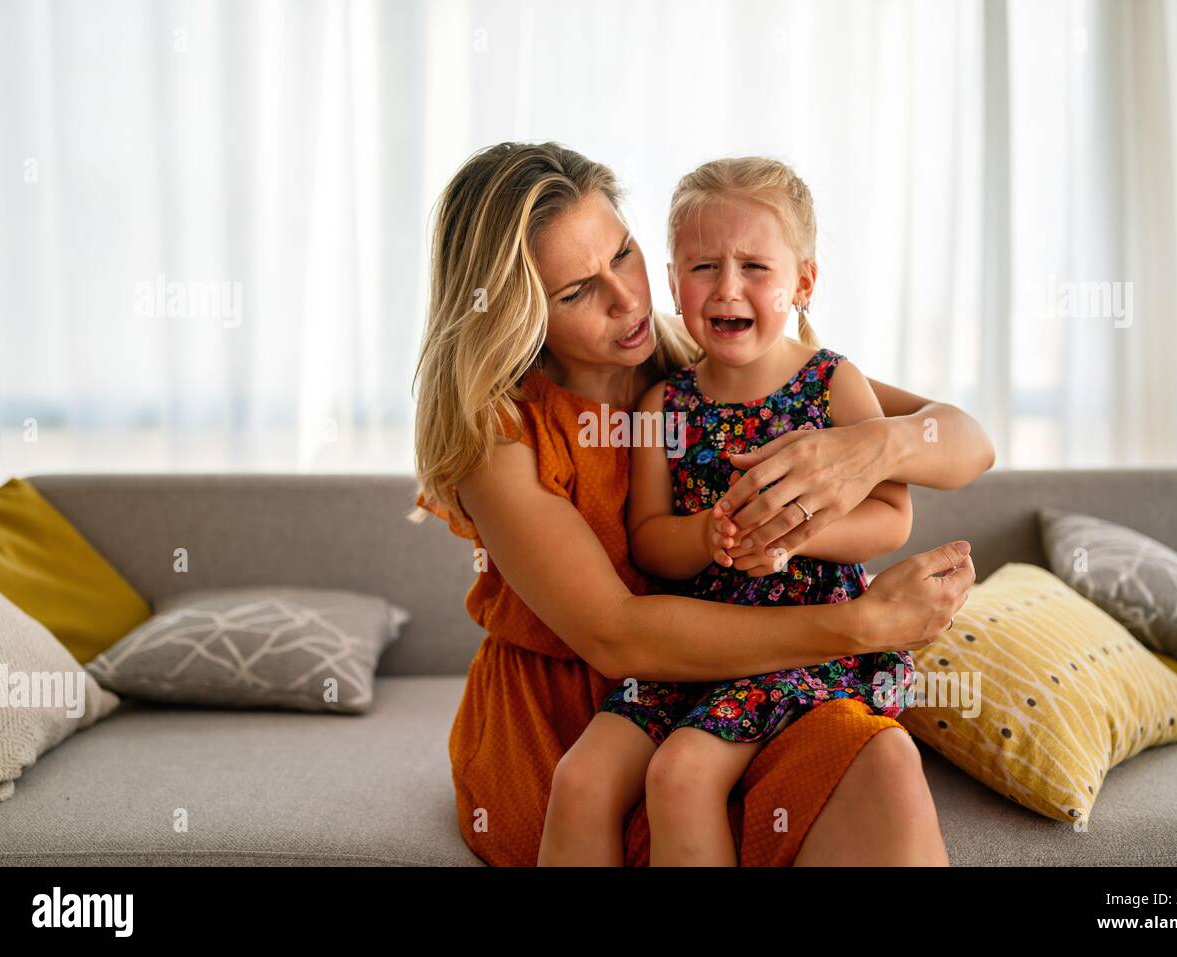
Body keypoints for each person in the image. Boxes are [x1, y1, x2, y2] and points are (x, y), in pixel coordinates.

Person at [412, 141, 993, 867]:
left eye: (621, 255)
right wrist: (860, 623)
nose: (627, 300)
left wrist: (873, 450)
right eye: (576, 292)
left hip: (753, 673)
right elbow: (620, 635)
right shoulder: (501, 433)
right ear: (515, 313)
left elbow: (966, 439)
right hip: (578, 717)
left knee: (879, 762)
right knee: (624, 782)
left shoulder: (709, 357)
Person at [546, 156, 922, 865]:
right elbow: (649, 541)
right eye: (703, 267)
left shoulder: (832, 383)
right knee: (582, 773)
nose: (727, 288)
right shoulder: (666, 405)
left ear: (802, 283)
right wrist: (705, 536)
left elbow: (893, 516)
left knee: (682, 772)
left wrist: (797, 535)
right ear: (670, 280)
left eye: (755, 266)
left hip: (800, 640)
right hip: (689, 648)